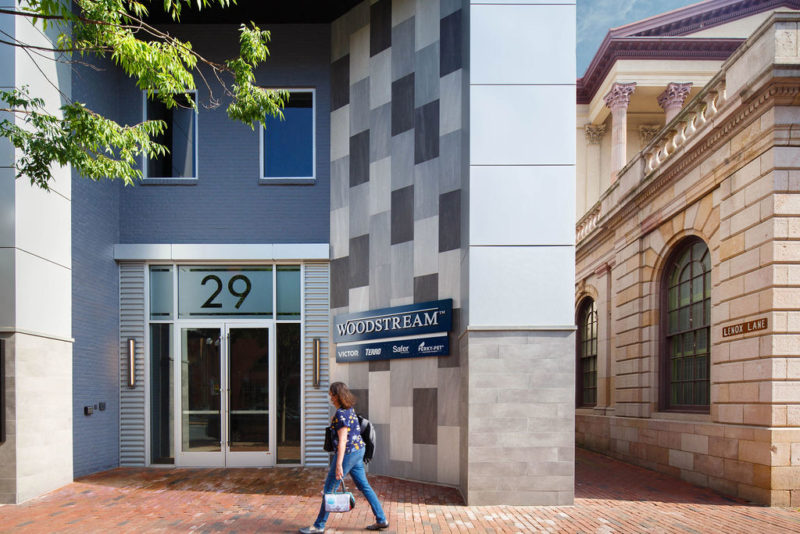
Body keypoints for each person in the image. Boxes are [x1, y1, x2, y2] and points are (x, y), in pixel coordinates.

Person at [299, 382, 389, 533]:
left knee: (329, 488)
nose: (330, 397)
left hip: (347, 454)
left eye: (331, 394)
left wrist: (339, 464)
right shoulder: (348, 410)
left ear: (337, 395)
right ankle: (381, 519)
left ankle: (319, 526)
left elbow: (342, 441)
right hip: (358, 450)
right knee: (364, 486)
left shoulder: (341, 414)